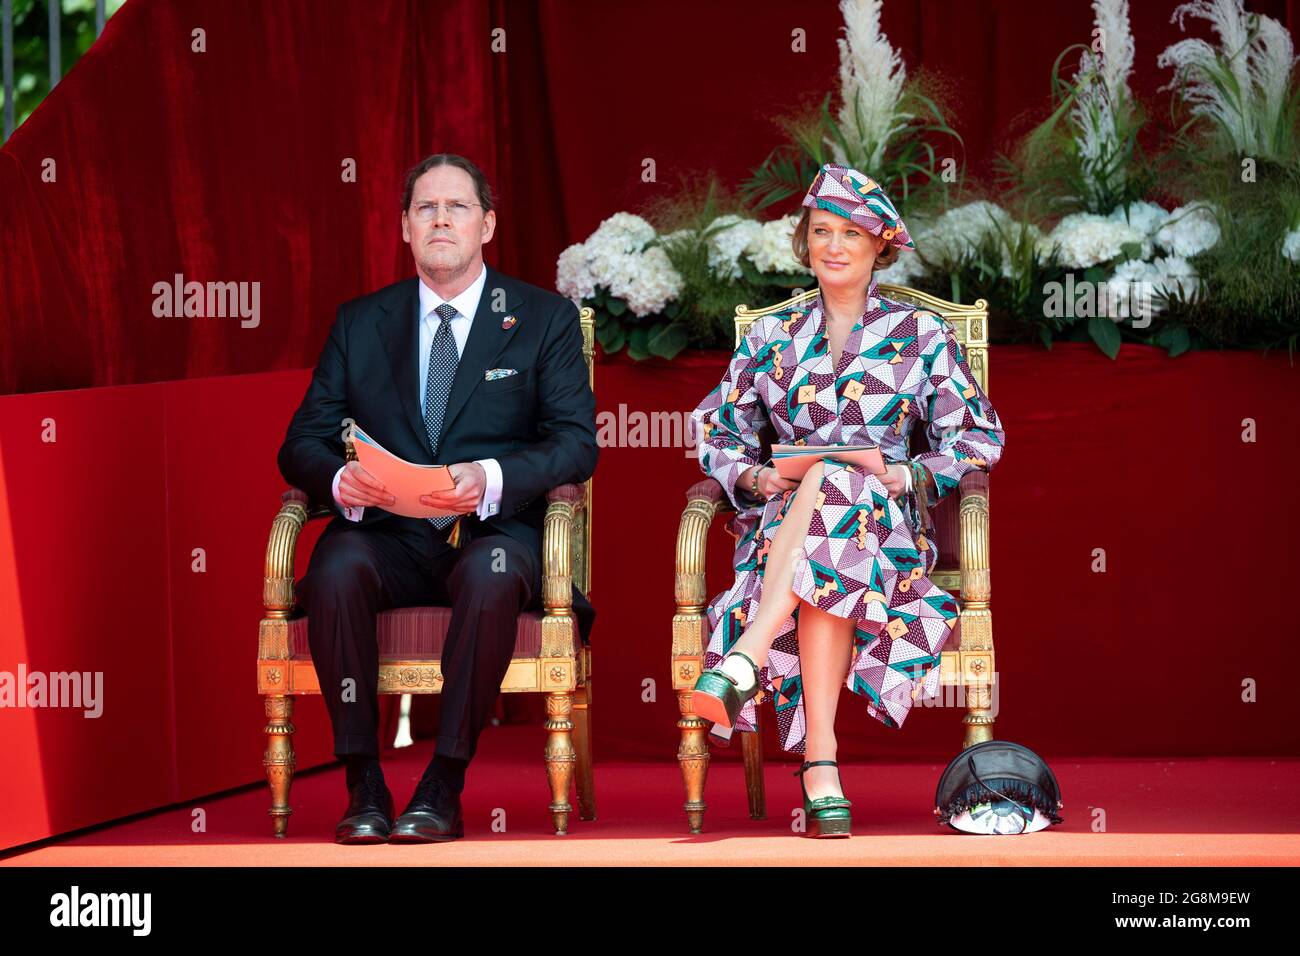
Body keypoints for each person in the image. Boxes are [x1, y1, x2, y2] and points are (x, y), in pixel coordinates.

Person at [277, 153, 597, 844]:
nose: (442, 219)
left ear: (486, 224)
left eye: (457, 207)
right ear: (404, 228)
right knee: (333, 570)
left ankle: (442, 783)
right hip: (385, 533)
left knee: (494, 572)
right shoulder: (361, 322)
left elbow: (575, 444)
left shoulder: (542, 319)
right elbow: (300, 441)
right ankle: (363, 784)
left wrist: (491, 474)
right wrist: (339, 481)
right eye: (427, 208)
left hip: (491, 530)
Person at [689, 163, 1006, 837]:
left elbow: (979, 435)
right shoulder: (771, 337)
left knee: (846, 485)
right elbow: (718, 428)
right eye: (821, 231)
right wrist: (754, 478)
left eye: (852, 235)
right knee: (827, 521)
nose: (833, 245)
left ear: (879, 248)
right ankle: (821, 763)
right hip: (783, 527)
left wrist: (910, 476)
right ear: (806, 243)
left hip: (885, 531)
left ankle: (748, 652)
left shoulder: (920, 334)